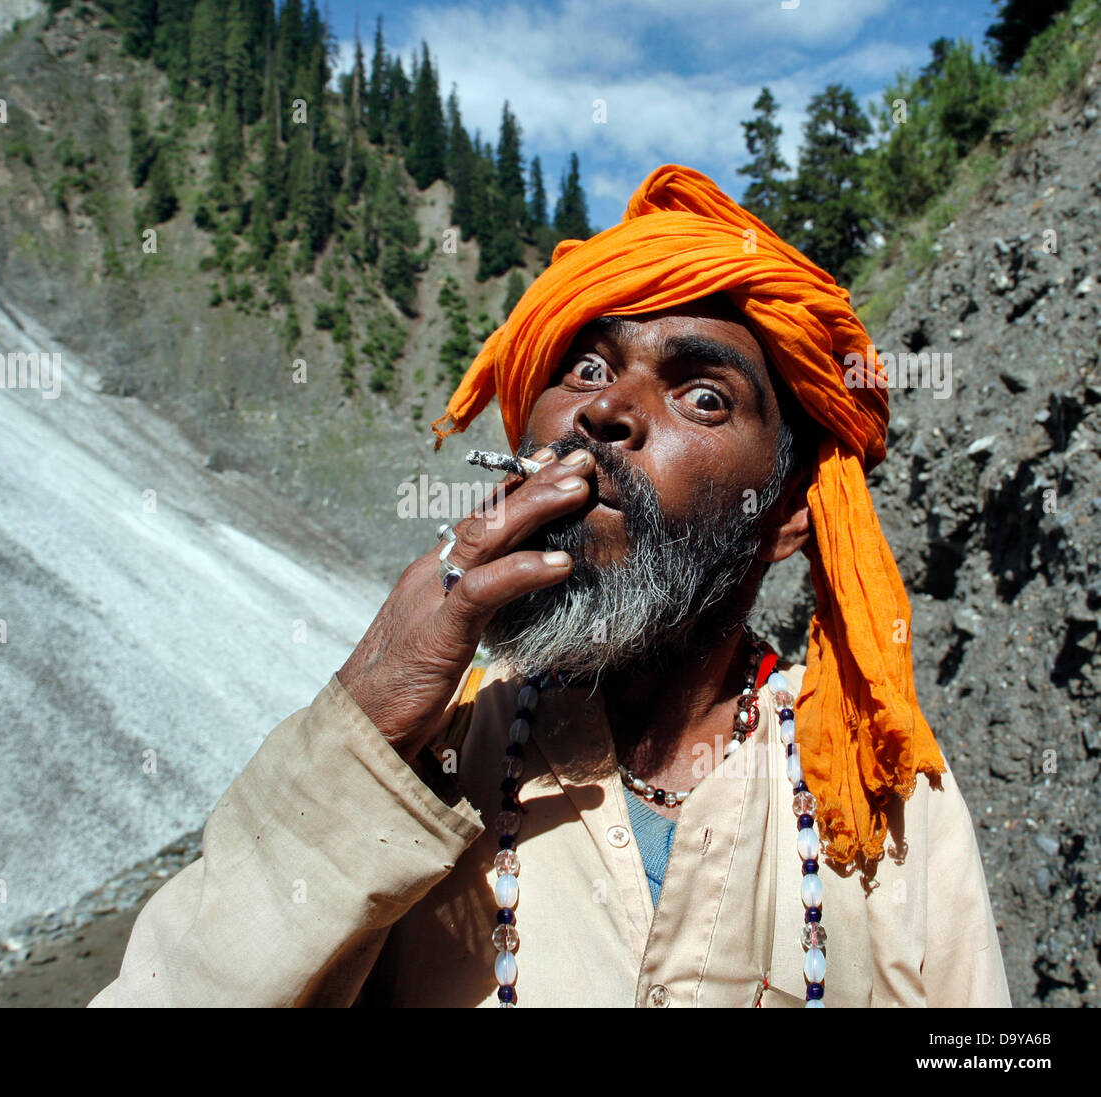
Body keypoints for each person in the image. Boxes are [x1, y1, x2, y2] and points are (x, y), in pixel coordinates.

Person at [88, 165, 1011, 1008]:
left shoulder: (885, 804)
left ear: (784, 518)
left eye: (701, 396)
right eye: (587, 368)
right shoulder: (430, 764)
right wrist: (367, 715)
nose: (605, 410)